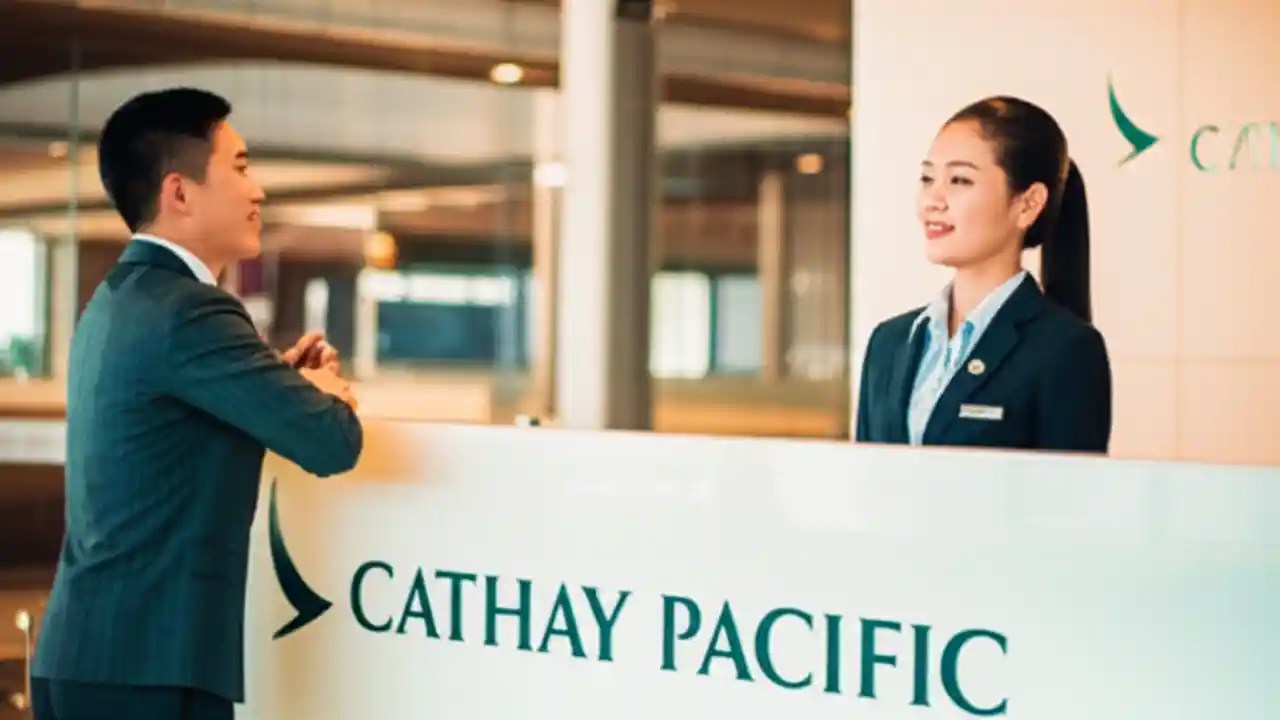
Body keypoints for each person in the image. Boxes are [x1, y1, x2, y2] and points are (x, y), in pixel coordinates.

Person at [31, 88, 364, 720]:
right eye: (240, 168)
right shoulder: (192, 308)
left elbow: (182, 417)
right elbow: (332, 442)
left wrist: (277, 386)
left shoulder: (122, 296)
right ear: (180, 193)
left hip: (95, 658)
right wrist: (323, 396)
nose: (258, 190)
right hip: (147, 673)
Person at [855, 96, 1111, 452]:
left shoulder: (1066, 349)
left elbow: (1072, 502)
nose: (933, 199)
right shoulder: (889, 342)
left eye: (959, 180)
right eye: (927, 178)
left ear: (1027, 204)